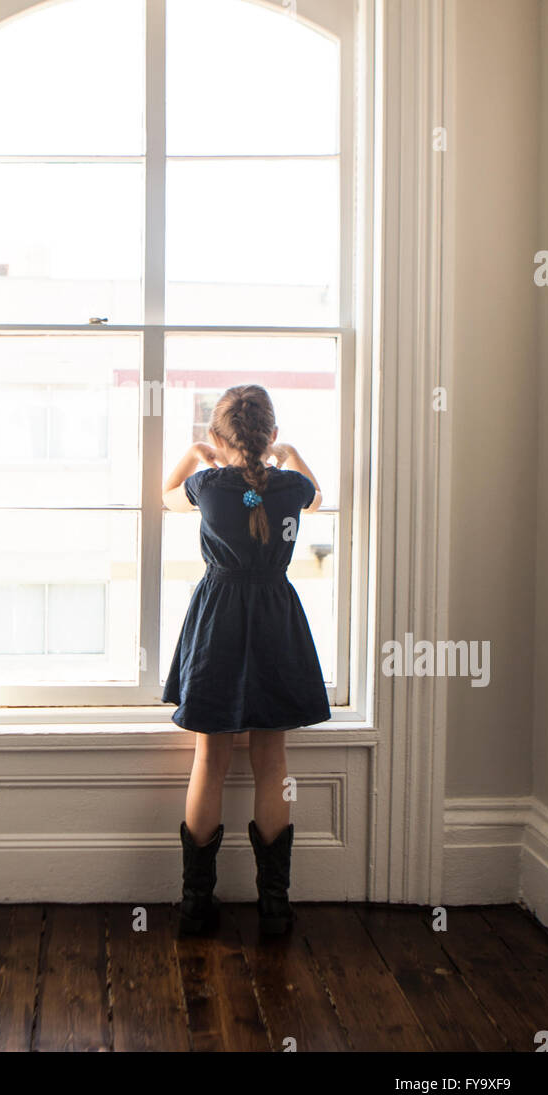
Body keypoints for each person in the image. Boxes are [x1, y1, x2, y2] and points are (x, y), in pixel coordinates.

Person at [161, 383, 331, 937]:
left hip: (220, 621)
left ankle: (195, 905)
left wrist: (193, 453)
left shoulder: (207, 485)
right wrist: (289, 454)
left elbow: (166, 495)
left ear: (218, 438)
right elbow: (317, 494)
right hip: (275, 621)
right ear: (271, 436)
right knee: (272, 763)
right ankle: (275, 908)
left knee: (209, 760)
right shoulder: (286, 487)